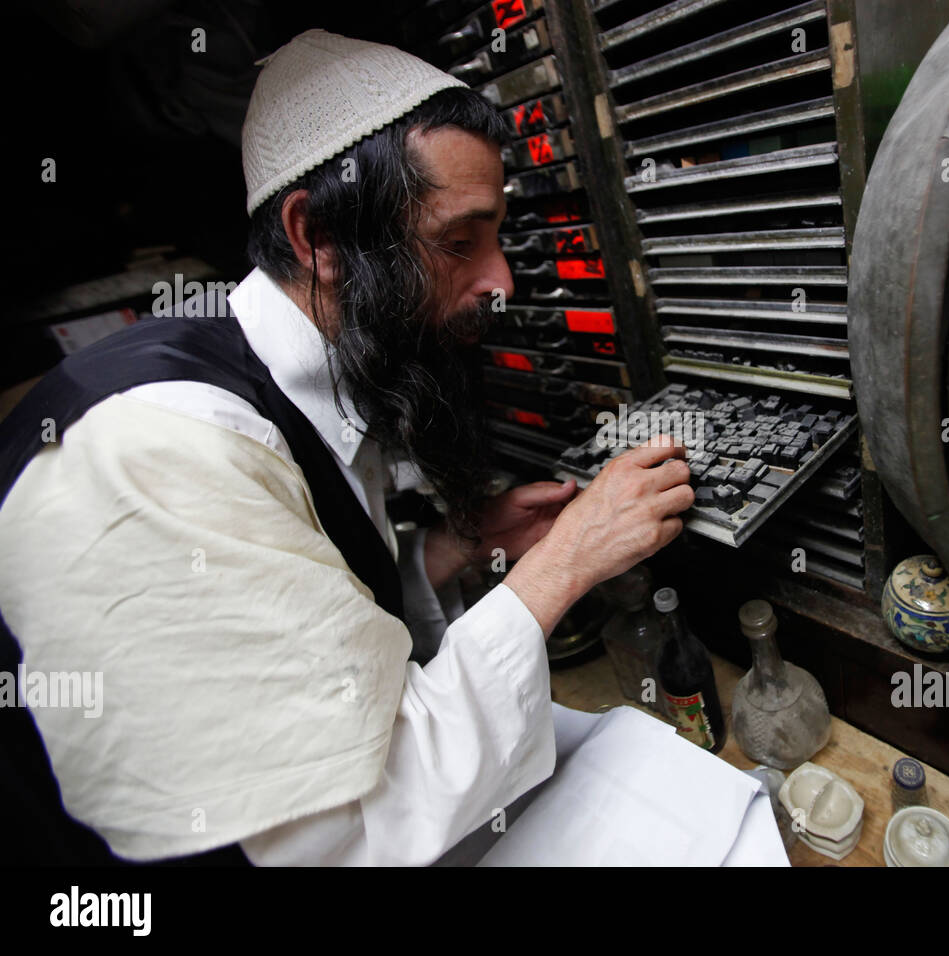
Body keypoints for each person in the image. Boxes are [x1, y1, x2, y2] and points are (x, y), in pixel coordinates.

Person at [0, 29, 695, 865]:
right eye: (458, 240)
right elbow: (354, 826)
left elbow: (299, 606)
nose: (503, 282)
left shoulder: (293, 369)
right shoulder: (155, 453)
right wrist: (563, 567)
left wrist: (446, 553)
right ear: (319, 236)